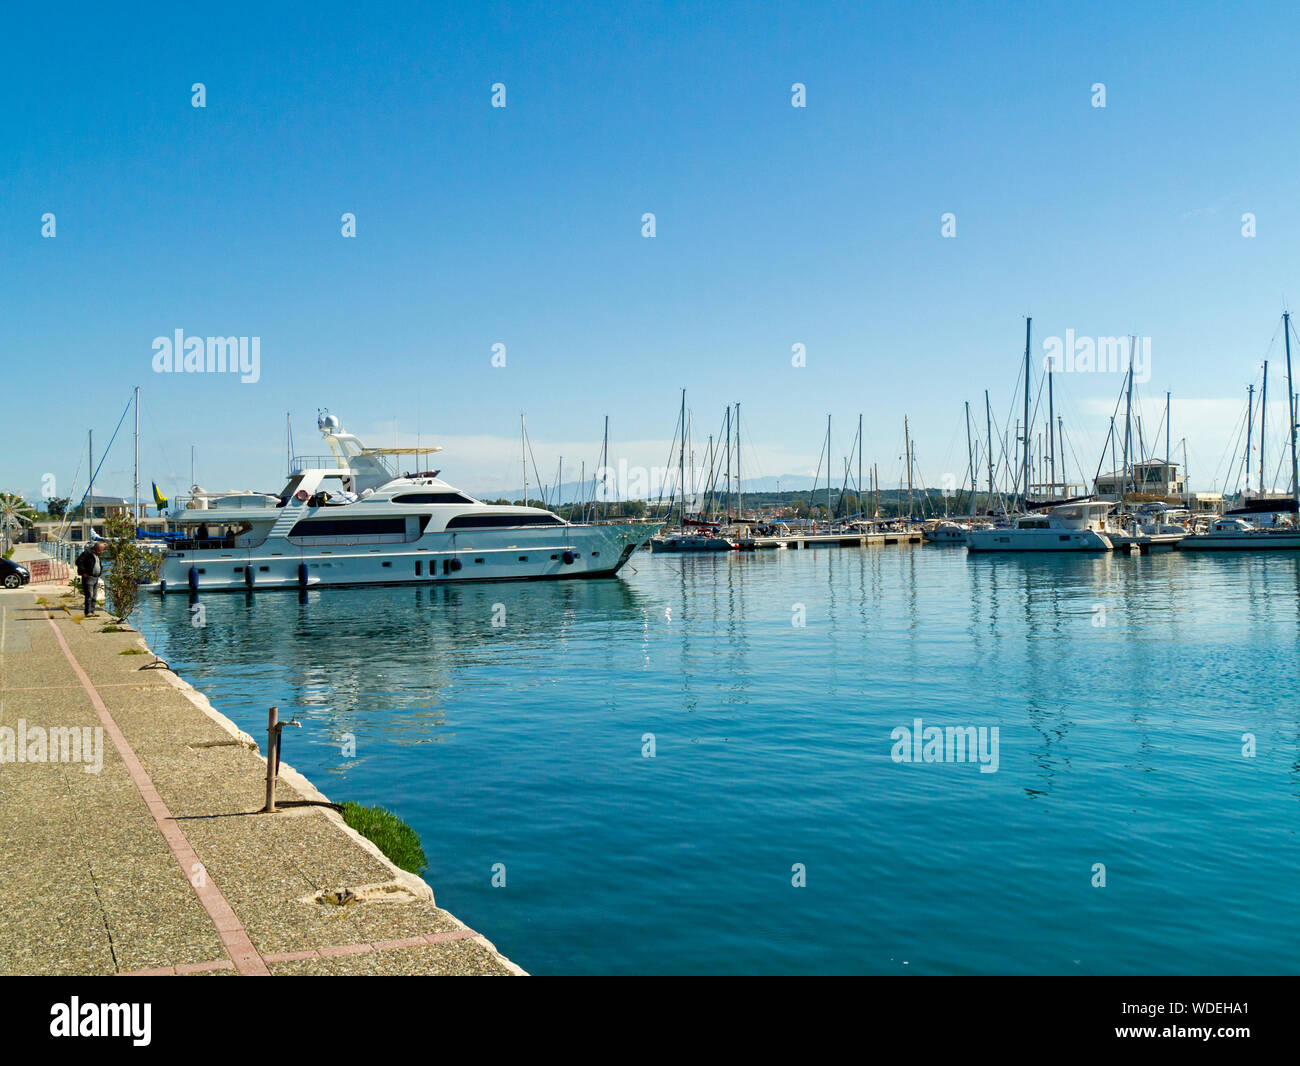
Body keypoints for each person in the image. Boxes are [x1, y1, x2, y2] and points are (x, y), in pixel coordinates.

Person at [75, 541, 107, 616]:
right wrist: (83, 572)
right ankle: (88, 612)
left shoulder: (97, 555)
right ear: (96, 548)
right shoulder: (87, 553)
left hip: (95, 578)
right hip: (88, 577)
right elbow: (78, 561)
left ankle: (92, 611)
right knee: (89, 595)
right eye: (101, 549)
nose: (102, 551)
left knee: (94, 596)